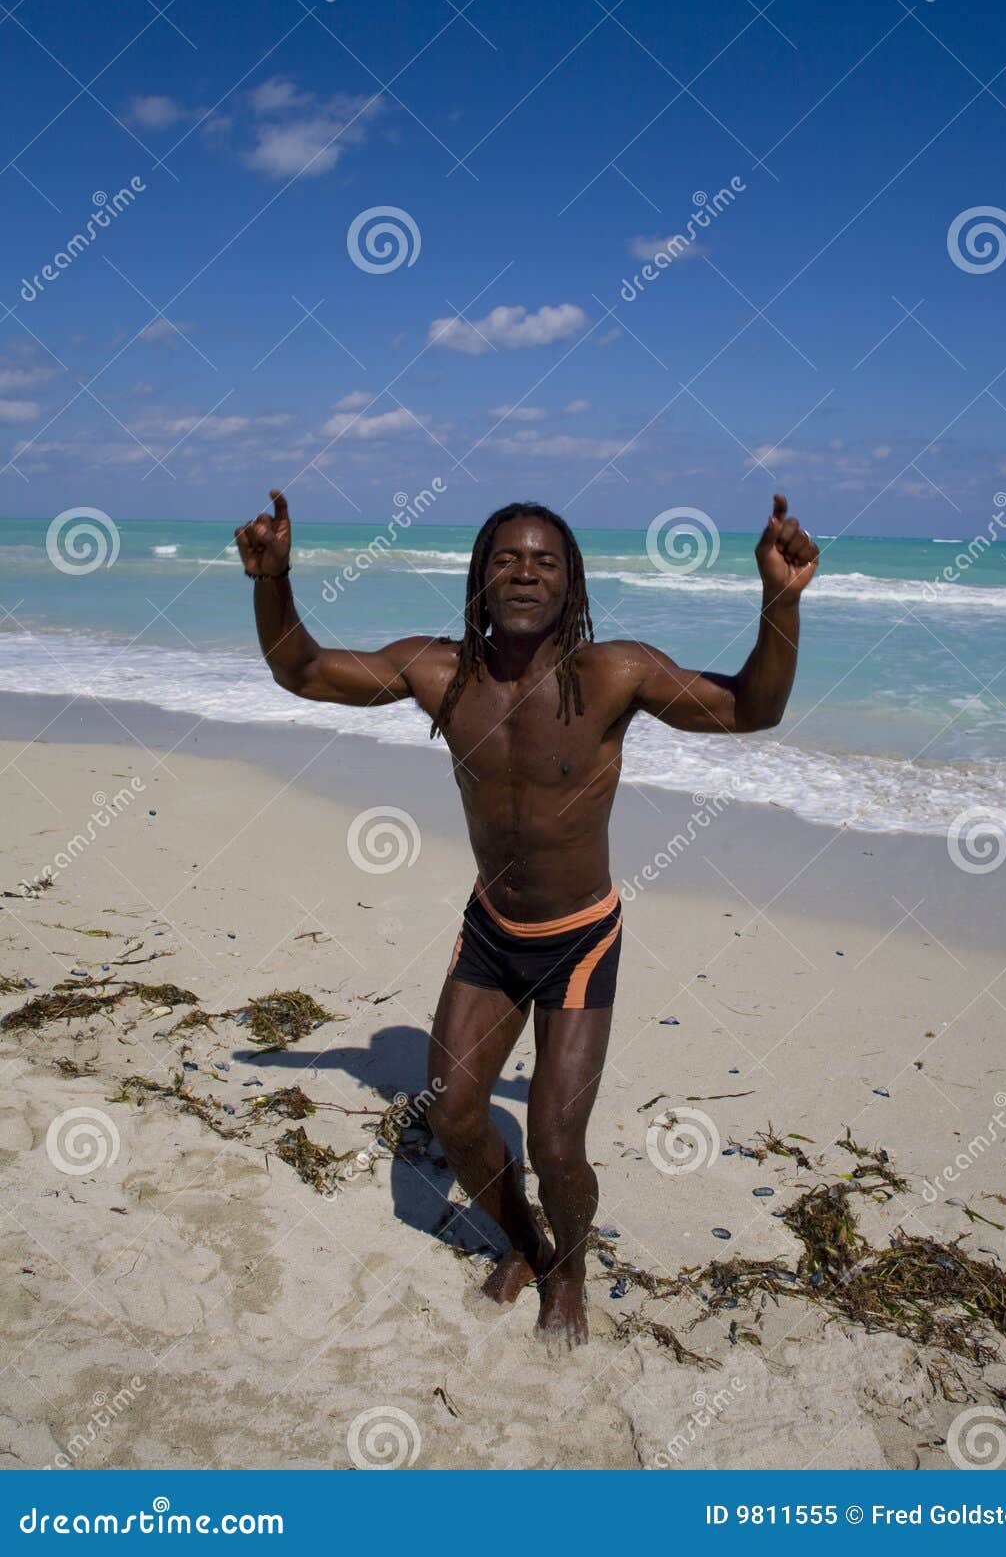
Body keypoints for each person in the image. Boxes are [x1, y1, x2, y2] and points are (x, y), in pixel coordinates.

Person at [236, 490, 819, 1347]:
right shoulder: (440, 675)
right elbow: (304, 670)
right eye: (506, 557)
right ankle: (520, 1242)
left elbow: (749, 709)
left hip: (579, 940)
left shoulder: (613, 675)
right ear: (480, 575)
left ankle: (570, 1274)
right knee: (454, 1115)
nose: (524, 571)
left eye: (545, 560)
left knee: (553, 1143)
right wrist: (273, 581)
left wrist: (779, 600)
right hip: (490, 934)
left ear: (570, 580)